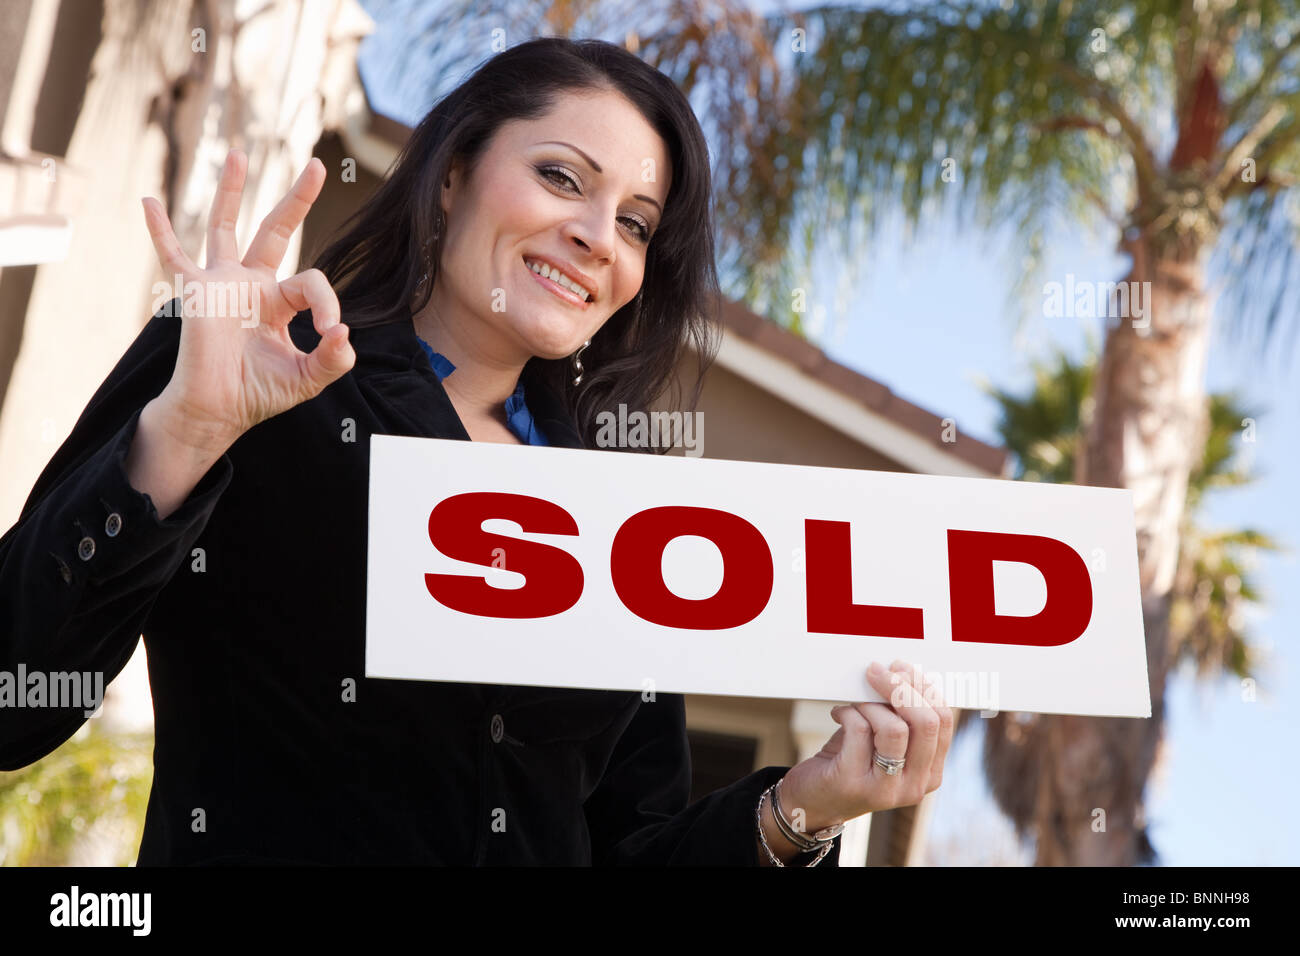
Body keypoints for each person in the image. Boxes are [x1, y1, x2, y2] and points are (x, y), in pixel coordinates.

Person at [0, 37, 953, 865]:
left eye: (634, 224)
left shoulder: (625, 514)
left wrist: (805, 811)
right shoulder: (239, 371)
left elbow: (626, 846)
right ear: (451, 173)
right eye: (561, 176)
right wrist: (187, 434)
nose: (593, 236)